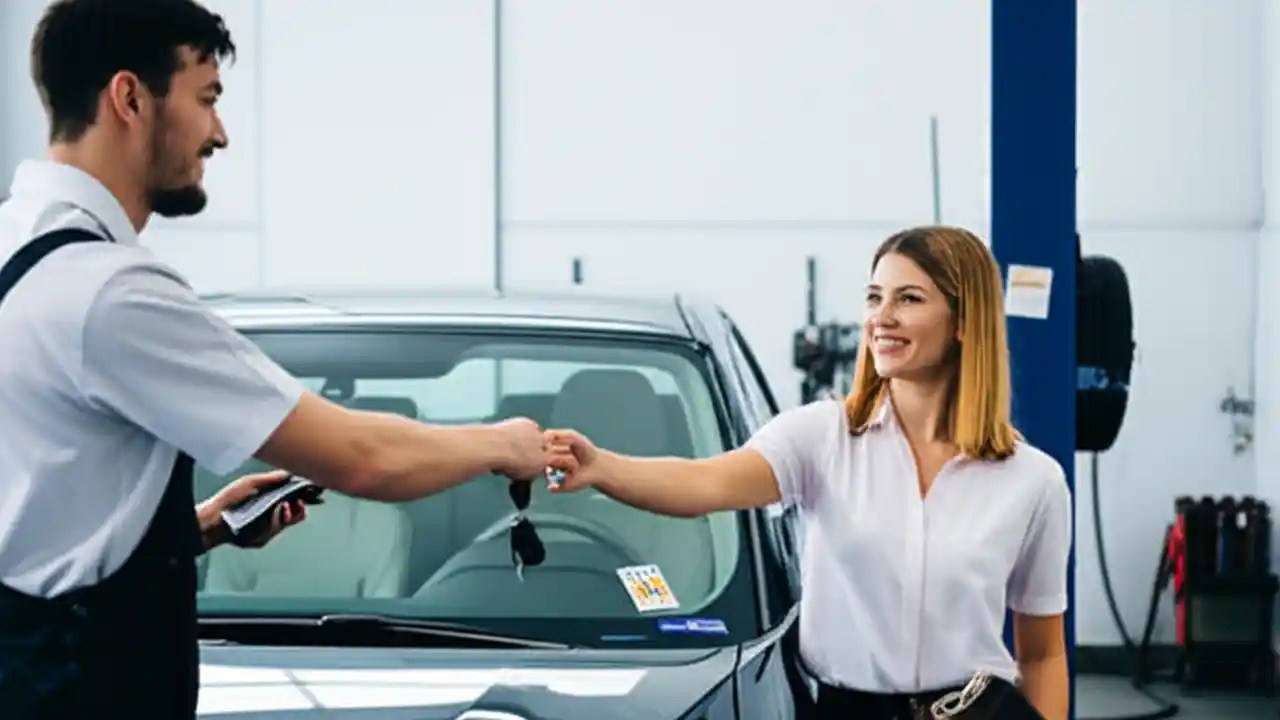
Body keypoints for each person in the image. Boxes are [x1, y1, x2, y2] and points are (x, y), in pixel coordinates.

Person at [0, 0, 546, 717]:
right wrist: (504, 444)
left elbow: (37, 517)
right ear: (130, 98)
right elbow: (360, 457)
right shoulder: (108, 292)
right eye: (207, 99)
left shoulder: (16, 244)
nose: (219, 134)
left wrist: (198, 531)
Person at [544, 226, 1072, 720]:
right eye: (874, 297)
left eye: (908, 299)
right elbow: (704, 484)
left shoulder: (1033, 482)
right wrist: (602, 467)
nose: (880, 317)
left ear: (964, 321)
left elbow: (1044, 653)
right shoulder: (822, 437)